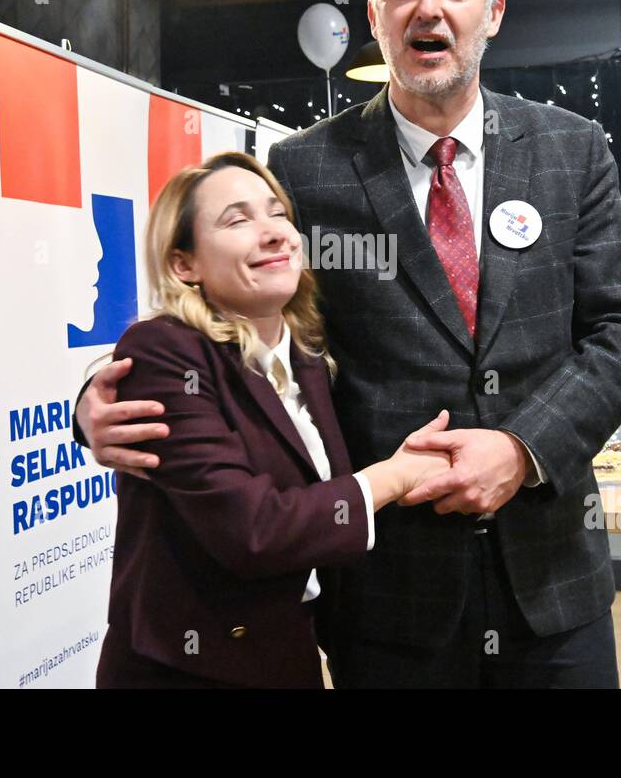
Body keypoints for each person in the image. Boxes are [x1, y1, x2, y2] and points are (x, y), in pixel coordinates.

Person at [77, 0, 621, 688]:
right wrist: (98, 395)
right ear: (377, 19)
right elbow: (226, 304)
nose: (429, 7)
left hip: (551, 582)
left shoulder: (571, 149)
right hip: (388, 594)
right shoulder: (306, 166)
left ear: (492, 13)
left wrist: (522, 452)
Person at [95, 151, 453, 688]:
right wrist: (393, 477)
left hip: (287, 651)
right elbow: (253, 531)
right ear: (183, 264)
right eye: (237, 220)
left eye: (277, 214)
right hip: (189, 669)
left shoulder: (305, 353)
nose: (273, 234)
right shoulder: (163, 352)